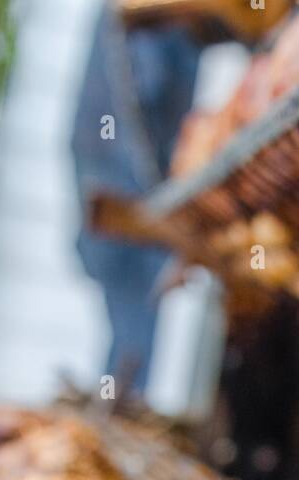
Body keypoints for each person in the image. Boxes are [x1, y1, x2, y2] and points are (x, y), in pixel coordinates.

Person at [70, 4, 204, 393]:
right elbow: (139, 112)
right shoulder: (144, 21)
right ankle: (118, 417)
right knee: (133, 335)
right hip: (120, 208)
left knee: (129, 330)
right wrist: (175, 226)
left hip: (115, 200)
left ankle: (115, 411)